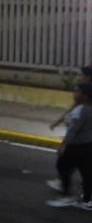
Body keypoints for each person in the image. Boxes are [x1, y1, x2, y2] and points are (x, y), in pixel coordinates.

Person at [47, 82, 92, 210]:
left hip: (76, 147)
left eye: (77, 91)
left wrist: (63, 145)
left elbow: (73, 130)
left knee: (62, 167)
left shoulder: (81, 110)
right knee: (87, 174)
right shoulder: (87, 107)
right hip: (89, 146)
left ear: (85, 96)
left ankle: (67, 196)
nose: (74, 93)